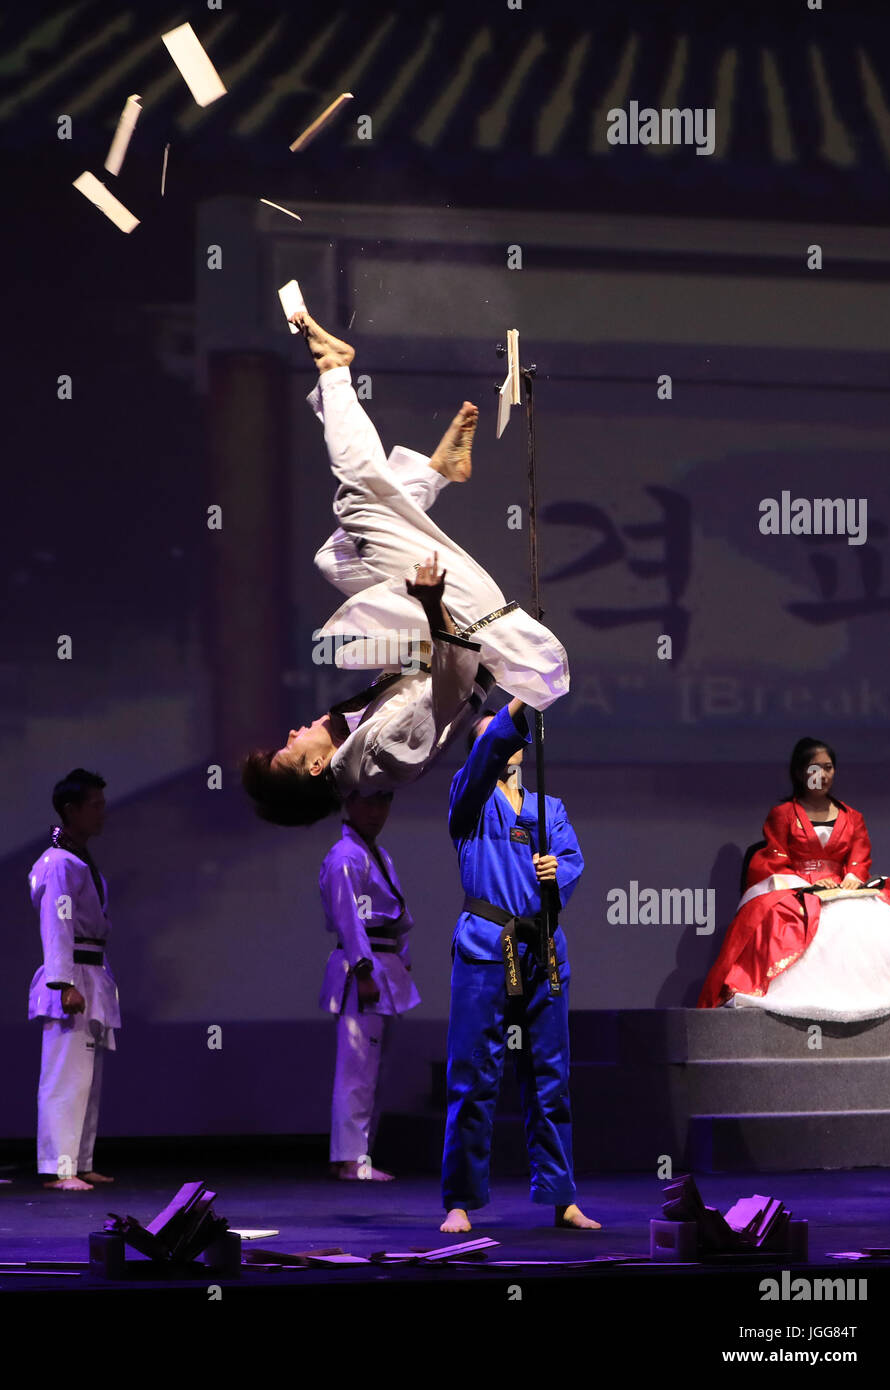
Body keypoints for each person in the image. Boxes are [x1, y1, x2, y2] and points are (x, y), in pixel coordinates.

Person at [242, 312, 569, 826]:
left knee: (336, 558)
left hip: (444, 620)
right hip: (464, 619)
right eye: (289, 749)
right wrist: (431, 601)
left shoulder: (357, 735)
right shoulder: (383, 759)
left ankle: (436, 472)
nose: (290, 734)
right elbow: (450, 690)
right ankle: (335, 369)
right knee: (359, 509)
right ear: (314, 767)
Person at [441, 701, 599, 1234]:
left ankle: (561, 1195)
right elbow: (485, 753)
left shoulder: (548, 807)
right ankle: (461, 1199)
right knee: (474, 1075)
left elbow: (573, 861)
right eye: (491, 741)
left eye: (509, 738)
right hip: (488, 946)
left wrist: (558, 870)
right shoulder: (469, 800)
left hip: (543, 948)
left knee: (550, 1077)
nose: (503, 747)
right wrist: (518, 700)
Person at [699, 737, 890, 1018]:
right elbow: (775, 859)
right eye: (814, 768)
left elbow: (860, 858)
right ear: (799, 773)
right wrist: (808, 884)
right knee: (789, 918)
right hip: (796, 887)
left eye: (828, 767)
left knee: (880, 918)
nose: (822, 775)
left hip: (843, 889)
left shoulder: (853, 817)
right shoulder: (783, 815)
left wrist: (853, 877)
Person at [319, 790, 418, 1182]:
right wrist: (362, 971)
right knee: (357, 1069)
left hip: (383, 962)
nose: (378, 813)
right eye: (369, 803)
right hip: (364, 968)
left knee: (371, 1069)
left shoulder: (375, 852)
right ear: (350, 804)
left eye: (384, 803)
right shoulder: (346, 856)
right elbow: (349, 919)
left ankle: (358, 1155)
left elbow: (396, 917)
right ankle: (350, 1160)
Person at [28, 769, 120, 1191]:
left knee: (87, 1078)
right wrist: (63, 982)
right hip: (72, 974)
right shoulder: (59, 864)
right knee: (66, 1075)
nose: (102, 813)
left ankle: (79, 1161)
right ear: (70, 810)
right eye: (95, 805)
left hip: (91, 970)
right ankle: (58, 1167)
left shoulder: (78, 860)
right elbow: (57, 924)